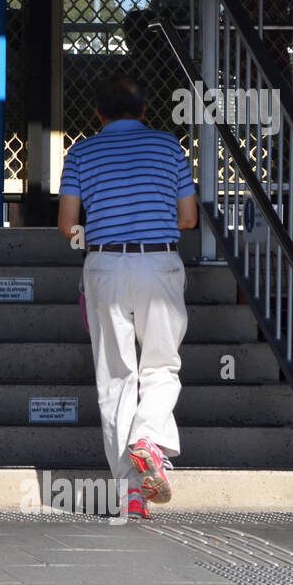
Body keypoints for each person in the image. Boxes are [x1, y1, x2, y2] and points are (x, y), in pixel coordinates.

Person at [57, 76, 198, 520]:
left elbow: (67, 223)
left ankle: (129, 494)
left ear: (97, 113)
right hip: (158, 263)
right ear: (144, 110)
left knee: (116, 377)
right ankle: (148, 438)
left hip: (105, 266)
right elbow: (189, 218)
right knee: (162, 365)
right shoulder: (170, 147)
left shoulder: (80, 152)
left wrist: (89, 237)